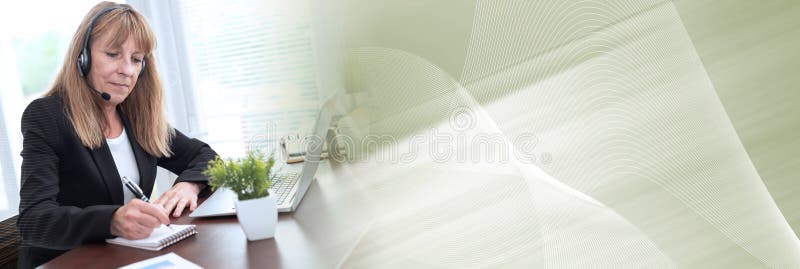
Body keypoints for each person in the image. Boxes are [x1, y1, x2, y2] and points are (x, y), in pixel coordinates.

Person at [16, 2, 217, 268]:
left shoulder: (135, 116)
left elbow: (206, 156)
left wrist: (189, 185)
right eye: (113, 54)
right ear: (83, 57)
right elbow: (33, 220)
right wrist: (112, 220)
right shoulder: (47, 115)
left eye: (136, 59)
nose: (128, 70)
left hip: (128, 258)